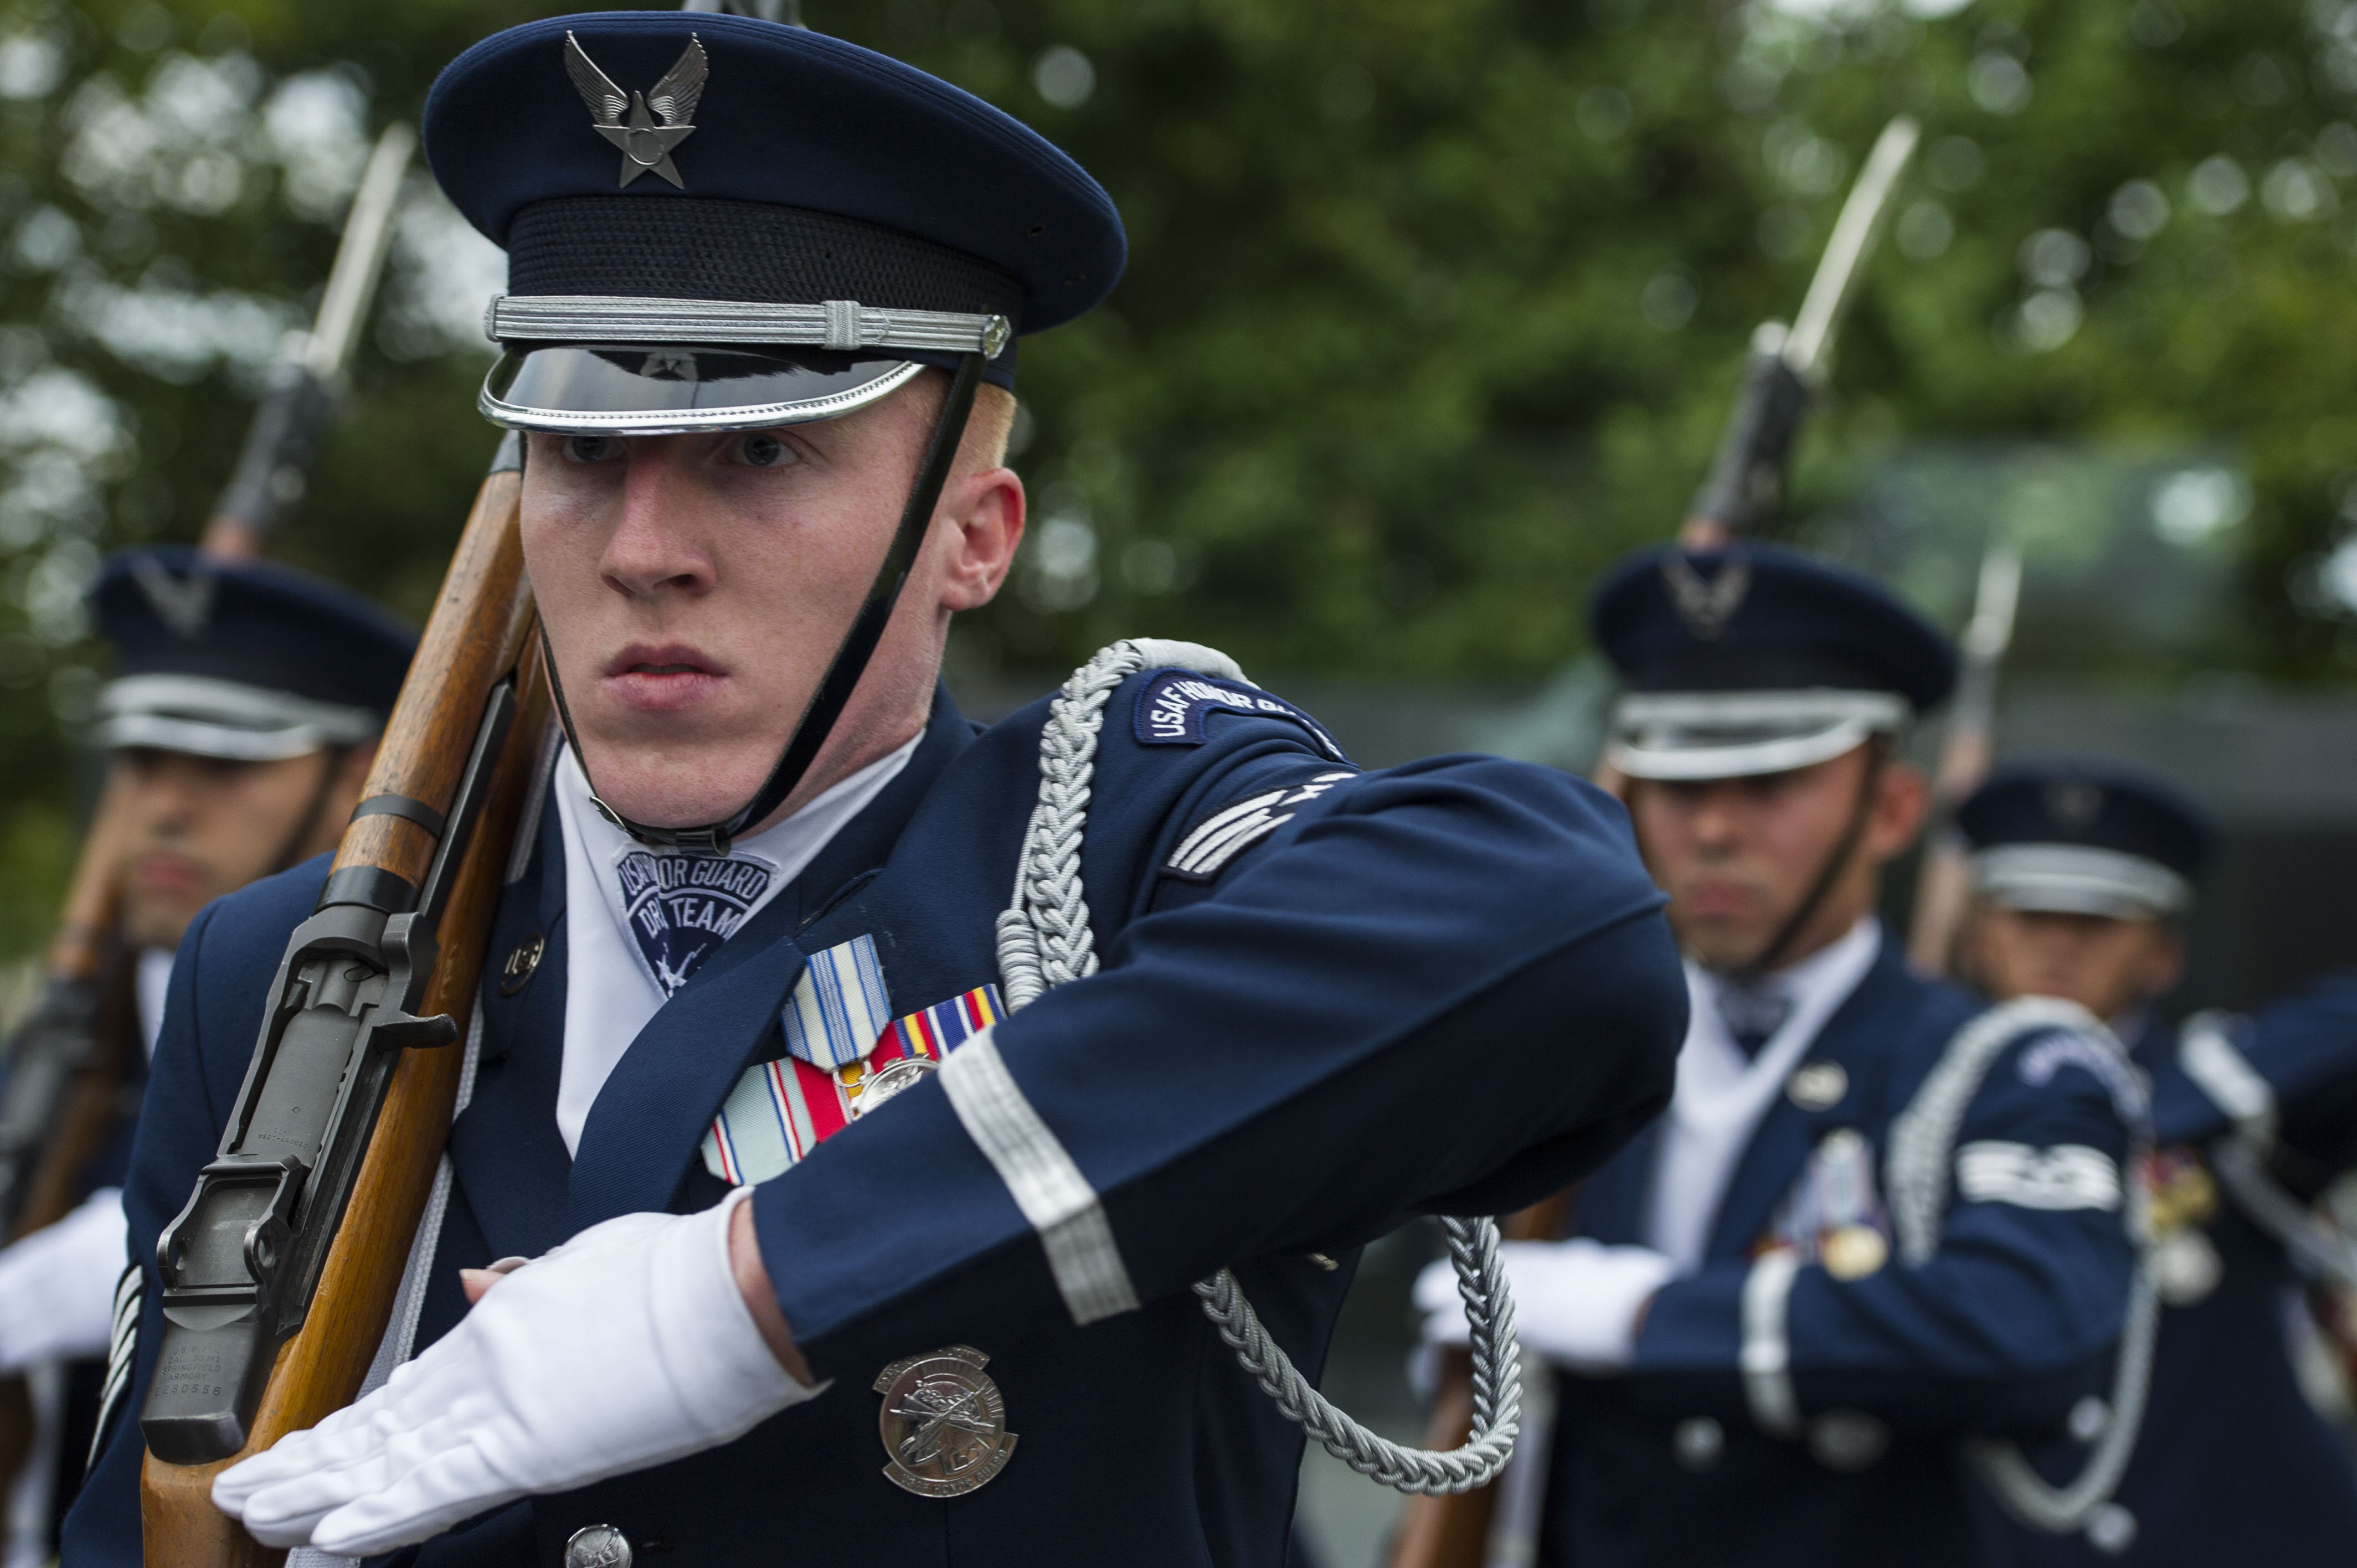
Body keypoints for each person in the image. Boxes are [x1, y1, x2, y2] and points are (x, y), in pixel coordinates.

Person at [65, 12, 1690, 1565]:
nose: (644, 552)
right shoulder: (294, 968)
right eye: (581, 453)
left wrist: (733, 1302)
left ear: (974, 534)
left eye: (761, 453)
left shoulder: (1103, 854)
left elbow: (1560, 924)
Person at [1421, 543, 2145, 1567]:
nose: (1712, 828)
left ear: (1891, 809)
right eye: (1675, 783)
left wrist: (1641, 1315)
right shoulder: (1565, 1065)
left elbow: (2029, 1332)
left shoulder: (2010, 1069)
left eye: (1769, 781)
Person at [0, 546, 409, 1560]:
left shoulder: (405, 1051)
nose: (164, 807)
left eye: (227, 765)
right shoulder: (61, 1060)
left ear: (359, 776)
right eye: (140, 763)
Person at [1959, 760, 2357, 1565]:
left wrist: (2199, 1092)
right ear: (1981, 934)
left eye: (2099, 919)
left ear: (2164, 954)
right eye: (2031, 912)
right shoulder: (1913, 1108)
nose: (2059, 941)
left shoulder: (2230, 1110)